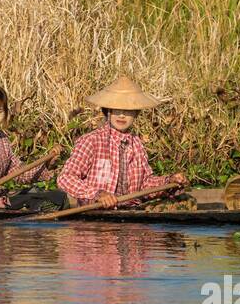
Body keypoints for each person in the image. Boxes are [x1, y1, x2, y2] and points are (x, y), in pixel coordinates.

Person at [57, 75, 184, 208]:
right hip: (95, 213)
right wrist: (97, 194)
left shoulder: (137, 145)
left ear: (135, 114)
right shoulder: (92, 141)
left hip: (130, 213)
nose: (122, 115)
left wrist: (169, 181)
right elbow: (65, 178)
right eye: (117, 110)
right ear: (108, 111)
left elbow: (145, 185)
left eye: (128, 110)